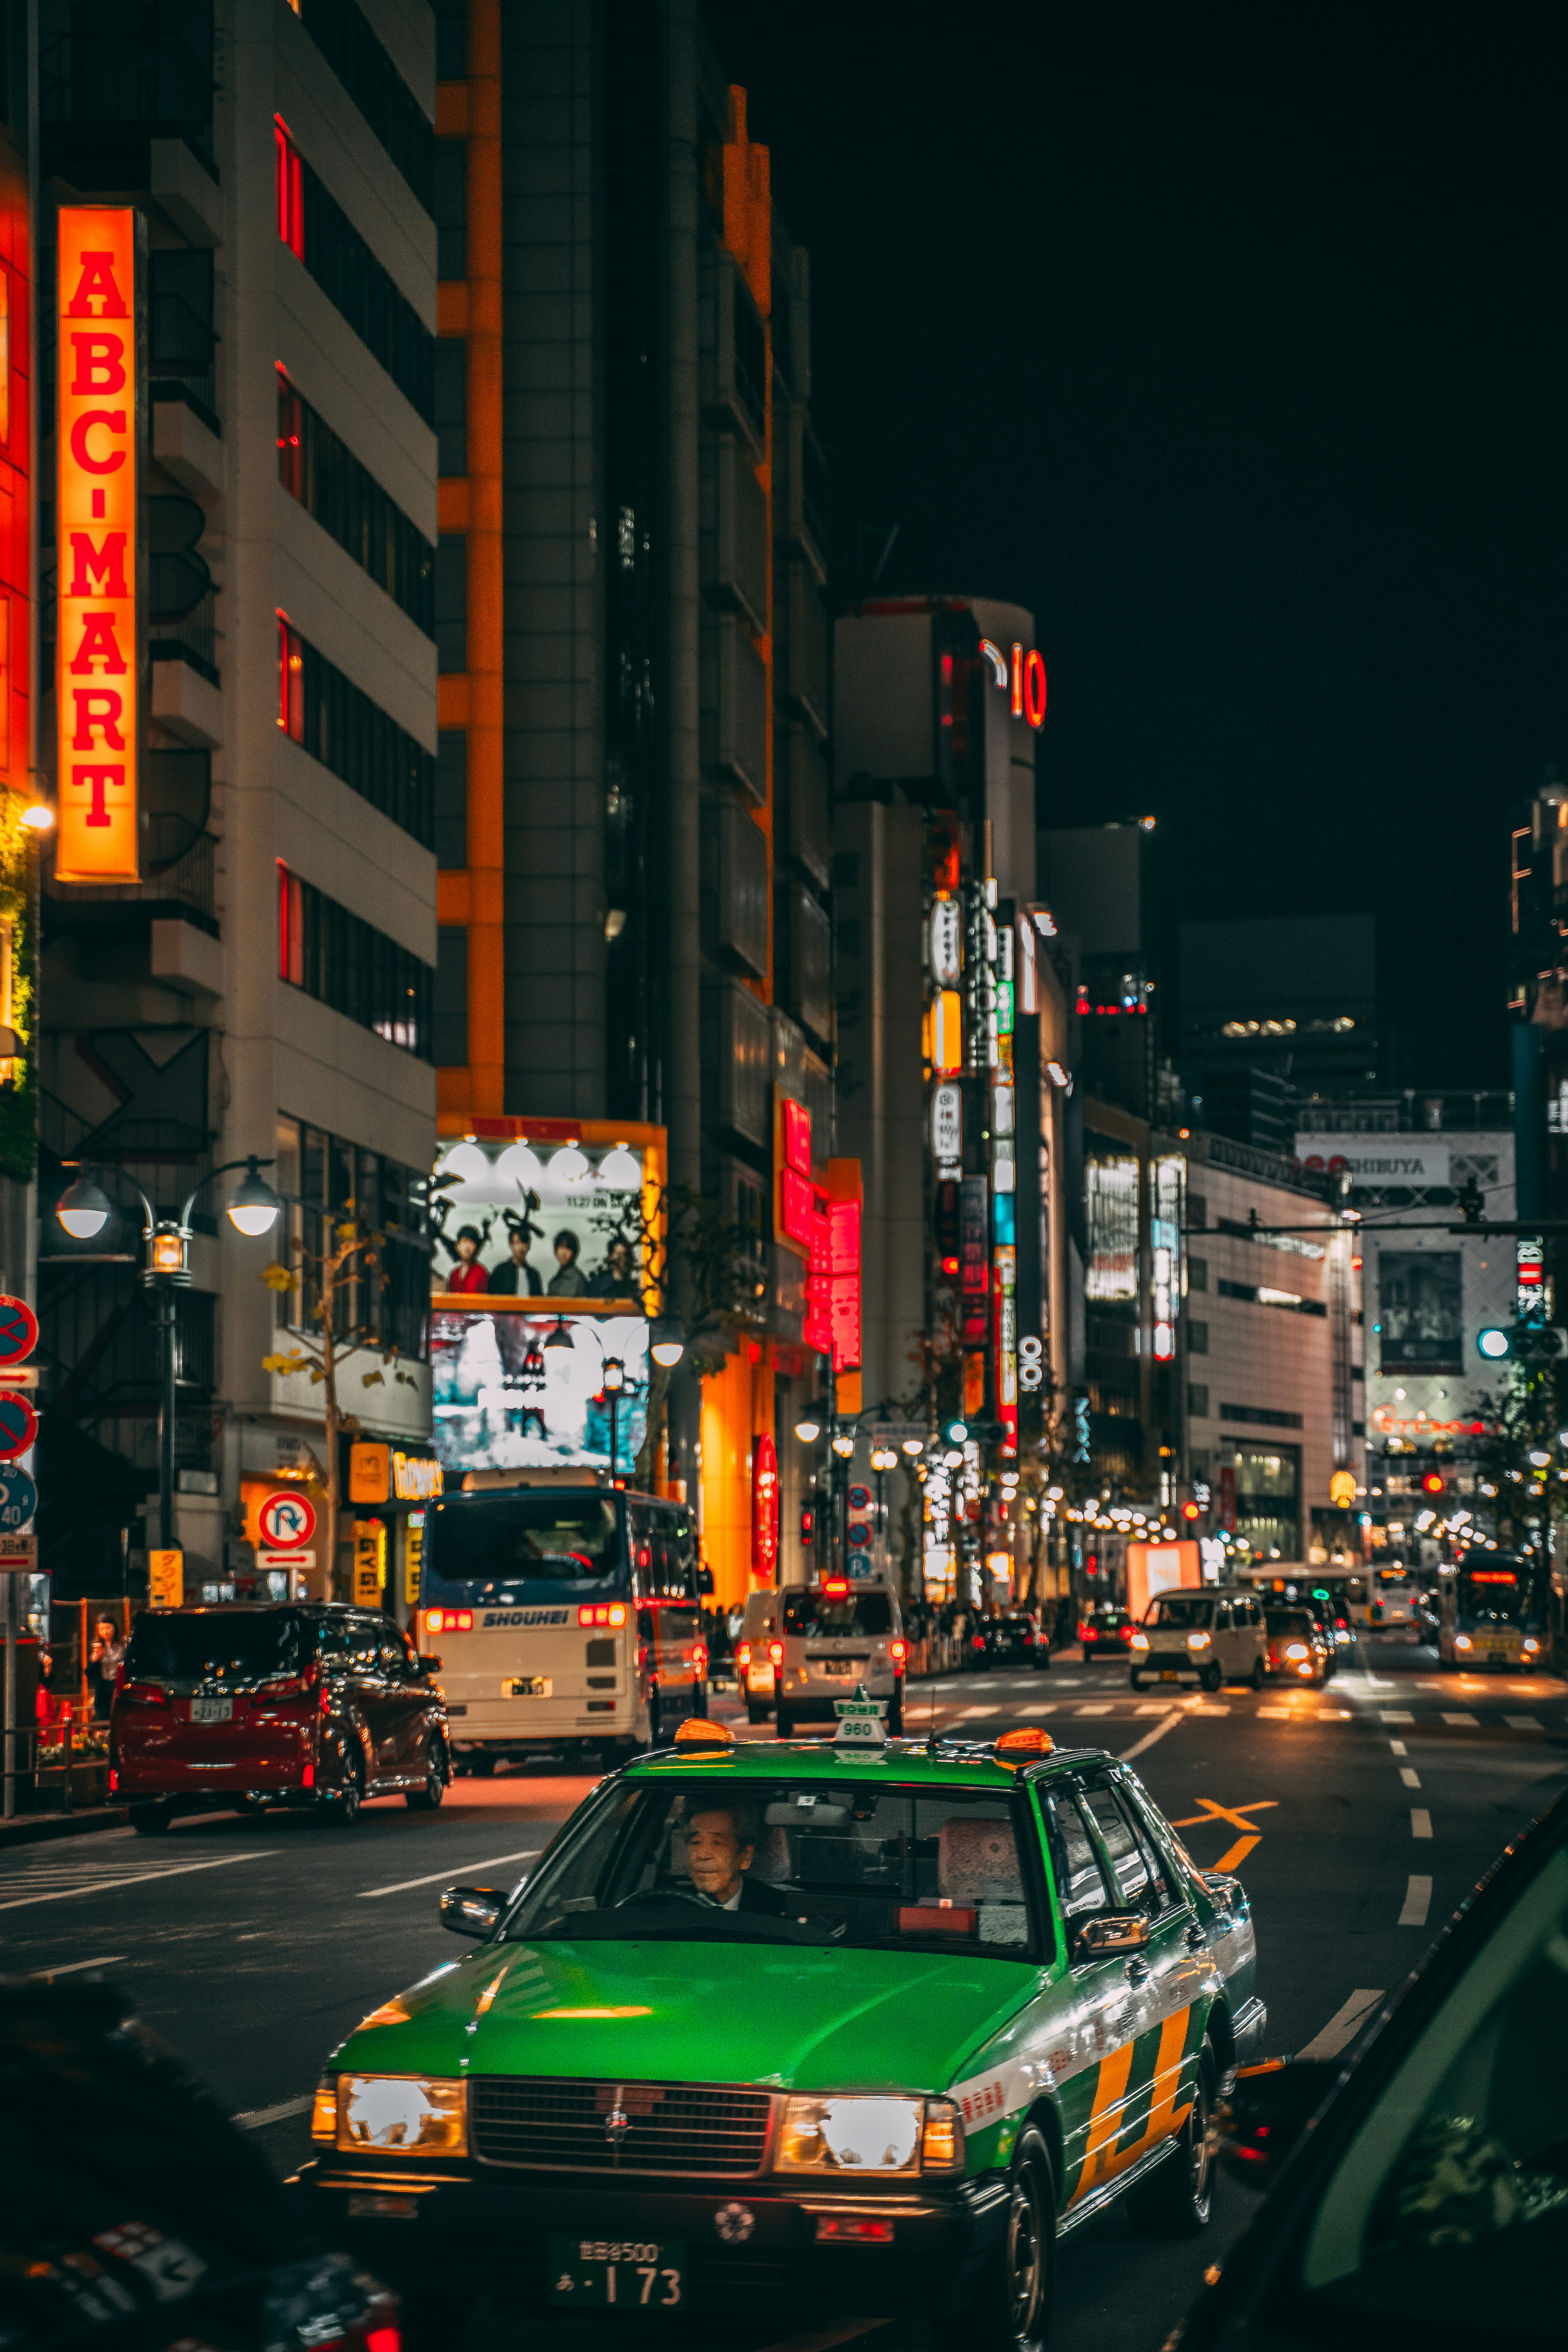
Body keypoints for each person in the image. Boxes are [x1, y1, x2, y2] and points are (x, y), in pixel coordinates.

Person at [681, 1800, 787, 1914]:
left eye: (718, 1843)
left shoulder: (776, 1908)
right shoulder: (669, 1904)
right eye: (696, 1842)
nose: (703, 1855)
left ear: (745, 1856)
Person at [486, 1226, 542, 1296]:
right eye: (517, 1243)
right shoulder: (501, 1271)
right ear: (511, 1245)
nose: (521, 1247)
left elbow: (538, 1301)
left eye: (524, 1243)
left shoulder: (533, 1275)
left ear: (528, 1246)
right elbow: (492, 1298)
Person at [88, 1616, 124, 1721]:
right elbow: (89, 1674)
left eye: (108, 1628)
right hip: (103, 1687)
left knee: (117, 1717)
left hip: (118, 1685)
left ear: (115, 1628)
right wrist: (94, 1660)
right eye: (102, 1629)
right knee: (102, 1719)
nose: (105, 1632)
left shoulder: (123, 1645)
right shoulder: (96, 1646)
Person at [446, 1226, 489, 1294]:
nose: (468, 1246)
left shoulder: (481, 1273)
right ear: (458, 1246)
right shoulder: (454, 1274)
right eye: (465, 1241)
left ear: (476, 1247)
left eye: (472, 1242)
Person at [546, 1230, 588, 1297]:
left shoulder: (579, 1280)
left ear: (574, 1253)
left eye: (568, 1249)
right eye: (561, 1248)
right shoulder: (554, 1282)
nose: (564, 1253)